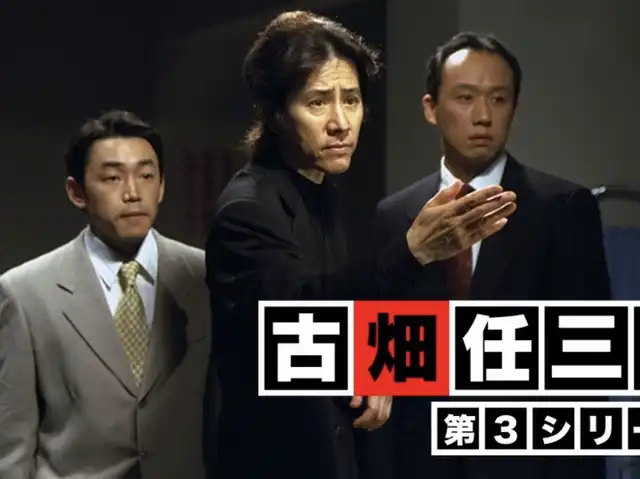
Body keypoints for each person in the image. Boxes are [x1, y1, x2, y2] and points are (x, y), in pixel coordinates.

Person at [204, 12, 517, 479]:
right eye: (317, 102)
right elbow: (296, 319)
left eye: (350, 100)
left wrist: (377, 369)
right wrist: (413, 250)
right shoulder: (247, 207)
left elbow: (348, 319)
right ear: (275, 113)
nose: (340, 122)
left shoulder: (323, 192)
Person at [374, 32, 611, 479]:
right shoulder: (395, 215)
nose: (483, 116)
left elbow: (588, 365)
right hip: (420, 459)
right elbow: (382, 363)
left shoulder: (561, 208)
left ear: (514, 109)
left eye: (498, 100)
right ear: (431, 108)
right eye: (465, 98)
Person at [0, 110, 213, 478]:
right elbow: (12, 444)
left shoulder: (207, 277)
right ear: (76, 192)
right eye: (113, 178)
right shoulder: (25, 292)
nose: (133, 193)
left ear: (162, 185)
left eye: (146, 176)